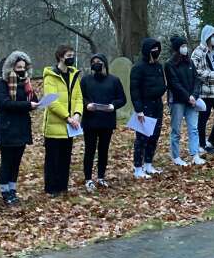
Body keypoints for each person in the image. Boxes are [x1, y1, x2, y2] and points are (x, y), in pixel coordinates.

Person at [0, 52, 39, 206]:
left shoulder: (25, 83)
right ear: (11, 67)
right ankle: (5, 191)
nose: (21, 69)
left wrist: (33, 101)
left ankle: (13, 189)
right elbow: (4, 104)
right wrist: (27, 105)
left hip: (21, 128)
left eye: (23, 67)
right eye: (18, 67)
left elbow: (34, 100)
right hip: (7, 128)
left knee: (17, 162)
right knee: (7, 161)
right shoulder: (2, 84)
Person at [80, 53, 126, 191]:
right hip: (90, 121)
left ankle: (101, 176)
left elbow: (122, 99)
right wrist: (87, 105)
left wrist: (113, 105)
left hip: (107, 121)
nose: (96, 63)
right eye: (93, 61)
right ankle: (88, 178)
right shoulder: (85, 80)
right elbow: (80, 98)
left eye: (99, 61)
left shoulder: (114, 80)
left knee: (103, 150)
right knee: (89, 150)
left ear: (104, 63)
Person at [42, 46, 83, 196]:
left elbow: (79, 97)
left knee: (66, 158)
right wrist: (67, 117)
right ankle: (51, 188)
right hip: (55, 125)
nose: (71, 57)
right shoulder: (50, 76)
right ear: (60, 57)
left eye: (72, 55)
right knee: (53, 159)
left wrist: (77, 114)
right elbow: (52, 102)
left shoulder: (74, 75)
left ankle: (62, 187)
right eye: (69, 55)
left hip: (71, 125)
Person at [131, 38, 167, 179]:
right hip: (144, 106)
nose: (155, 52)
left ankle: (148, 164)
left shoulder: (158, 66)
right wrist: (138, 109)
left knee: (154, 136)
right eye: (153, 50)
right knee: (142, 138)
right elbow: (134, 90)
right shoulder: (138, 68)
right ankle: (138, 168)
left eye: (157, 49)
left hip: (157, 104)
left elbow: (162, 83)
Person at [166, 36, 205, 165]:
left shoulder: (190, 62)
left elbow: (196, 80)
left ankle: (195, 154)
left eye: (185, 46)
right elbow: (174, 84)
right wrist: (188, 97)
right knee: (176, 130)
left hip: (192, 101)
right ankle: (175, 156)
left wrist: (194, 95)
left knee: (193, 128)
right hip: (177, 101)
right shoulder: (170, 64)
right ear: (177, 49)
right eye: (182, 46)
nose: (185, 48)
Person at [191, 25, 214, 155]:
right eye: (212, 36)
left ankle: (210, 140)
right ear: (206, 37)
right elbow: (197, 71)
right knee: (203, 119)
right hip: (206, 91)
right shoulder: (198, 52)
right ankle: (201, 145)